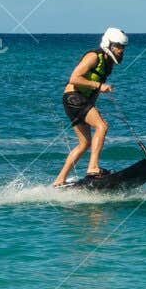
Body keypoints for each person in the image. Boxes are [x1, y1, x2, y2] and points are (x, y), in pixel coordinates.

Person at [54, 27, 127, 187]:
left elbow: (94, 90)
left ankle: (59, 180)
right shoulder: (94, 56)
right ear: (108, 44)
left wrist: (93, 105)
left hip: (79, 101)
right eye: (118, 46)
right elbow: (74, 78)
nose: (121, 50)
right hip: (73, 97)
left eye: (123, 47)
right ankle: (93, 168)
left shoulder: (108, 64)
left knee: (84, 143)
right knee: (102, 126)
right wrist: (99, 85)